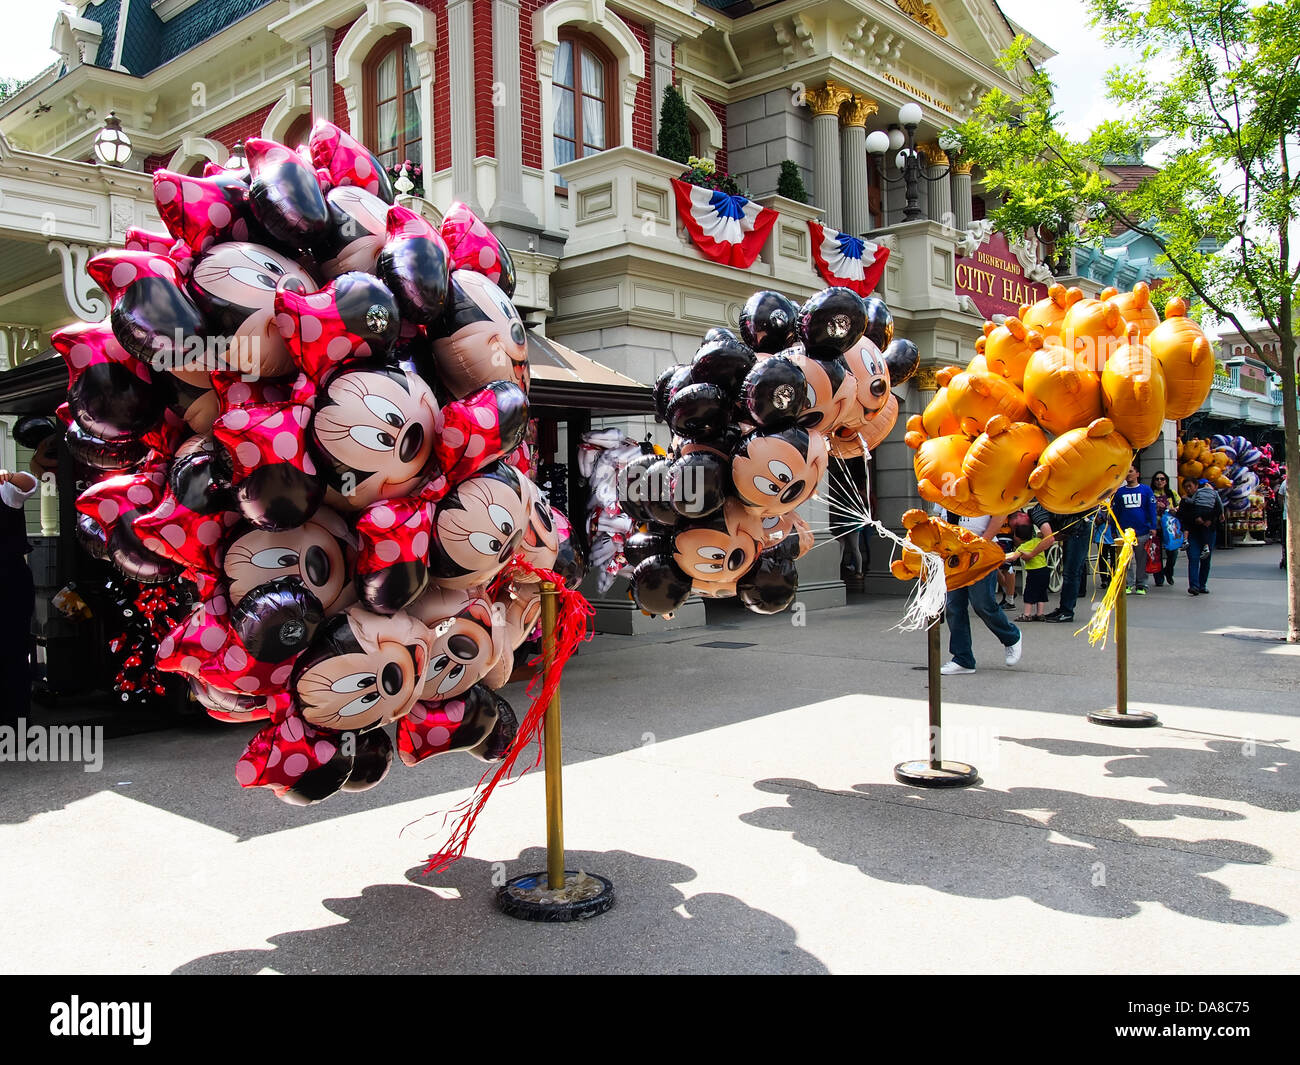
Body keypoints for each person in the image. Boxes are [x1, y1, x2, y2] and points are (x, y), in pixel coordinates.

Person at [940, 509, 1022, 675]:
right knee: (954, 606)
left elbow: (999, 512)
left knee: (982, 602)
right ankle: (963, 659)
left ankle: (1011, 636)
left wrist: (982, 542)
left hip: (981, 549)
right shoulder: (946, 486)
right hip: (954, 552)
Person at [1, 465, 39, 726]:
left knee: (12, 648)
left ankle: (13, 721)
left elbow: (30, 484)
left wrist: (9, 476)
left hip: (8, 578)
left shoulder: (5, 489)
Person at [1032, 503, 1084, 624]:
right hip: (1075, 528)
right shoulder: (1042, 509)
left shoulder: (1037, 513)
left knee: (1071, 573)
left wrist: (1032, 554)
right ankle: (1064, 608)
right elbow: (1055, 536)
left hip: (1078, 530)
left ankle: (1066, 611)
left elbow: (1049, 539)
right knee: (1071, 572)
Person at [1114, 465, 1158, 595]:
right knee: (1126, 560)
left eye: (1131, 471)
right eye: (1126, 472)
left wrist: (1153, 526)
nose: (1128, 474)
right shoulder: (1120, 492)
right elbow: (1115, 512)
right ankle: (1128, 583)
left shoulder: (1146, 490)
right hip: (1124, 531)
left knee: (1142, 559)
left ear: (1138, 474)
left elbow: (1151, 510)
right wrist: (1113, 528)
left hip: (1142, 530)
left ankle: (1142, 584)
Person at [1178, 476, 1220, 595]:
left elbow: (1217, 510)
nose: (1188, 489)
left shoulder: (1208, 496)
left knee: (1206, 559)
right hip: (1193, 532)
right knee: (1193, 557)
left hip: (1207, 532)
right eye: (1185, 487)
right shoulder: (1185, 500)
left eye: (1190, 486)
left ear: (1197, 486)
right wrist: (1195, 518)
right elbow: (1181, 515)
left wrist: (1209, 520)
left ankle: (1202, 584)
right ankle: (1194, 586)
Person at [1006, 521, 1051, 621]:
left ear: (1017, 537)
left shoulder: (1023, 547)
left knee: (1029, 592)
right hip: (1044, 570)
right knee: (1041, 592)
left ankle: (1027, 614)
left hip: (1034, 572)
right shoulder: (1037, 541)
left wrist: (1002, 557)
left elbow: (1013, 557)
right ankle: (1040, 613)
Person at [1156, 498, 1183, 587]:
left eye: (1163, 482)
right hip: (1156, 527)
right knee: (1157, 553)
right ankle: (1159, 577)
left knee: (1173, 552)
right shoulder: (1151, 493)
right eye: (1157, 481)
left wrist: (1175, 510)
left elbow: (1180, 505)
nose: (1160, 482)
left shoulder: (1172, 493)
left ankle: (1168, 571)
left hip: (1170, 528)